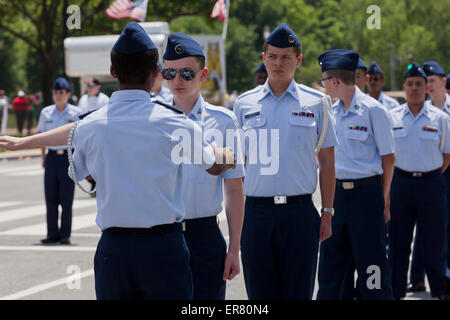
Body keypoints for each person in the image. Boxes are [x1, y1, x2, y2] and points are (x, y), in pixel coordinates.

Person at [0, 22, 236, 300]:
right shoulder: (174, 123)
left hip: (115, 250)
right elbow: (213, 165)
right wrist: (229, 155)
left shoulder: (93, 125)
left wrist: (26, 142)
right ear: (155, 72)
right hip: (164, 249)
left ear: (112, 72)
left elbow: (83, 169)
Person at [233, 23, 338, 300]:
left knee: (298, 292)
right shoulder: (244, 104)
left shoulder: (317, 103)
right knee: (260, 295)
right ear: (263, 58)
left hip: (300, 213)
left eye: (286, 57)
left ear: (299, 60)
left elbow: (327, 160)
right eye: (273, 56)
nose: (278, 63)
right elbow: (239, 163)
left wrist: (327, 211)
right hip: (257, 213)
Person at [161, 32, 245, 300]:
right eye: (169, 73)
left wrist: (234, 249)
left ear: (203, 74)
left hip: (206, 236)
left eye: (186, 73)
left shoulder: (224, 121)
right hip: (163, 235)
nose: (177, 80)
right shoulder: (153, 120)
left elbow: (234, 189)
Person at [316, 49, 394, 300]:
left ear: (335, 81)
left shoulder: (373, 110)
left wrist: (383, 198)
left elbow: (388, 157)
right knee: (331, 264)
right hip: (337, 195)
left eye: (325, 80)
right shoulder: (329, 111)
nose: (324, 85)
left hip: (366, 194)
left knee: (372, 264)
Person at [389, 63, 450, 300]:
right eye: (410, 84)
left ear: (426, 88)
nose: (414, 88)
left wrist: (428, 173)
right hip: (400, 184)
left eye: (419, 84)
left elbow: (446, 154)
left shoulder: (440, 118)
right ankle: (396, 292)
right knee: (398, 244)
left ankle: (439, 293)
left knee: (434, 244)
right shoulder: (392, 117)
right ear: (404, 87)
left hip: (431, 185)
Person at [407, 61, 450, 293]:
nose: (429, 86)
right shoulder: (420, 110)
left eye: (432, 81)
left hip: (444, 174)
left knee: (440, 230)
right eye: (427, 82)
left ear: (442, 82)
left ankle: (443, 278)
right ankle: (417, 277)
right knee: (423, 229)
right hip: (431, 177)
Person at [37, 78, 80, 245]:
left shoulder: (75, 112)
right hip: (52, 157)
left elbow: (80, 137)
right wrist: (43, 159)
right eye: (56, 93)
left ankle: (65, 234)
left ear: (68, 94)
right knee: (50, 198)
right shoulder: (46, 112)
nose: (58, 96)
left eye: (62, 92)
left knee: (66, 199)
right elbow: (41, 136)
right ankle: (52, 233)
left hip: (68, 157)